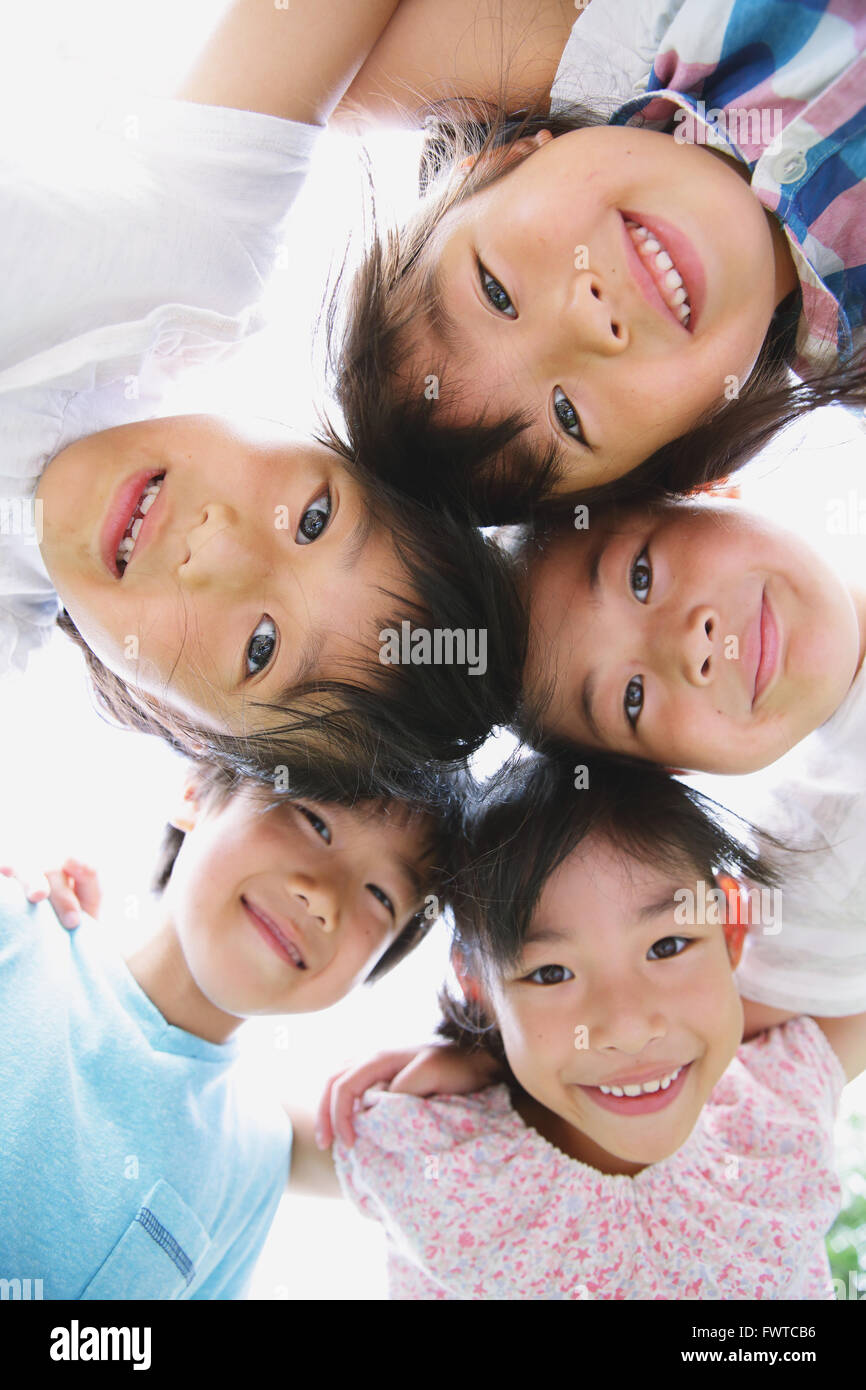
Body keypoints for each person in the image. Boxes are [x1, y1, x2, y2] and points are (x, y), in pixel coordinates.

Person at [0, 0, 526, 799]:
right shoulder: (193, 267)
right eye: (314, 520)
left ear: (175, 717)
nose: (217, 552)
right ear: (326, 437)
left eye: (261, 649)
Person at [313, 753, 866, 1299]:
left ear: (730, 927)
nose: (625, 1028)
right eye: (551, 974)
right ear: (479, 990)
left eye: (667, 946)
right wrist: (491, 1055)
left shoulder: (780, 1097)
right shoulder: (431, 1148)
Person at [329, 0, 866, 518]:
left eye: (497, 293)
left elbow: (315, 65)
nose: (588, 318)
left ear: (490, 165)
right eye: (568, 418)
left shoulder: (635, 28)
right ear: (685, 443)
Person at [0, 756, 457, 1298]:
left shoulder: (255, 1160)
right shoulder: (16, 932)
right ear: (195, 789)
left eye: (381, 897)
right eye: (313, 820)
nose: (325, 898)